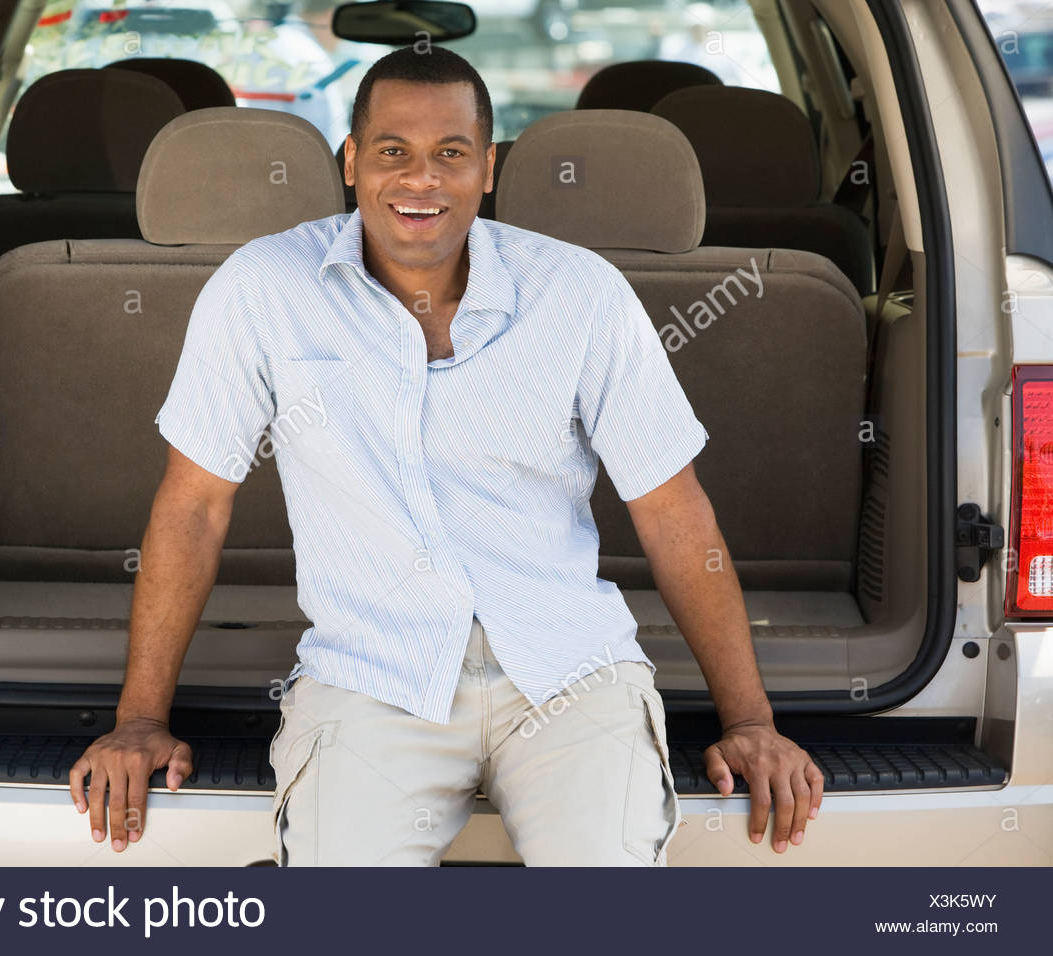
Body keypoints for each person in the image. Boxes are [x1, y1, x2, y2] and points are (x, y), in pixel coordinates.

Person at [69, 45, 824, 865]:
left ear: (487, 167)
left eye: (450, 154)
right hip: (372, 676)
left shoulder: (580, 293)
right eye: (393, 151)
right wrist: (139, 720)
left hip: (571, 669)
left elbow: (674, 512)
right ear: (351, 161)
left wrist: (751, 722)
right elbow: (194, 504)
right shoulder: (262, 289)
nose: (420, 180)